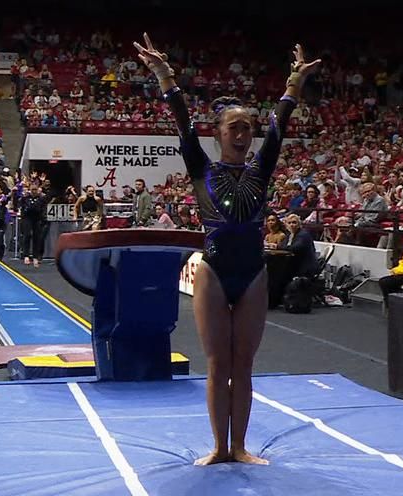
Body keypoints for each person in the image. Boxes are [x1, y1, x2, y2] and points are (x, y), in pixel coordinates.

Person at [135, 33, 320, 465]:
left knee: (245, 364)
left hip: (253, 272)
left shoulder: (262, 166)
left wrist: (294, 83)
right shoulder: (202, 167)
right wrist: (164, 74)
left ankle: (241, 446)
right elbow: (182, 121)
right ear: (218, 133)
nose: (242, 133)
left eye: (247, 127)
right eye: (233, 127)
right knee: (219, 363)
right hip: (215, 271)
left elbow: (281, 122)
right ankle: (220, 446)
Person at [19, 182, 49, 266]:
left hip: (37, 219)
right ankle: (26, 255)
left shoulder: (41, 198)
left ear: (38, 190)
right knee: (27, 235)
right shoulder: (25, 198)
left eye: (35, 189)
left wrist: (43, 218)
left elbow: (43, 208)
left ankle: (36, 257)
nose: (34, 191)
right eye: (32, 189)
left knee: (37, 238)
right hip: (27, 218)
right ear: (29, 190)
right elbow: (21, 207)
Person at [280, 214, 318, 278]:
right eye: (289, 223)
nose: (291, 225)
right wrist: (276, 246)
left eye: (294, 222)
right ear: (286, 225)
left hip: (304, 268)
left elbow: (295, 247)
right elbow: (283, 245)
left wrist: (278, 247)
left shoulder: (303, 234)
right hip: (296, 264)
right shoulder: (290, 235)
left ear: (299, 224)